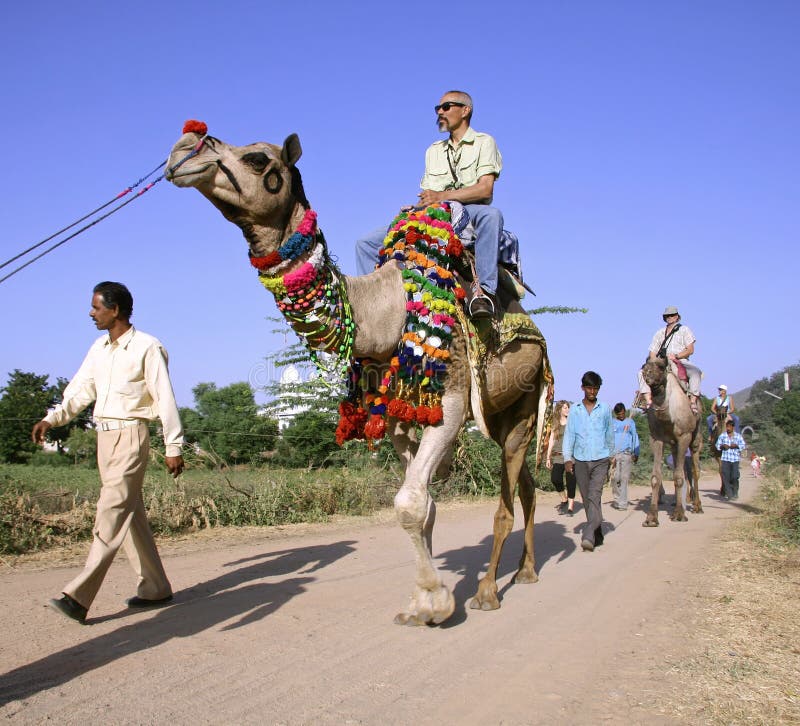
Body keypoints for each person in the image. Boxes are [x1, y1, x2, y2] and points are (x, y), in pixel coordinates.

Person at [32, 282, 185, 624]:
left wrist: (173, 445)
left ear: (115, 310)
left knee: (111, 510)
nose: (91, 313)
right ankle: (155, 587)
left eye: (96, 307)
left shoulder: (147, 347)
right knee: (129, 514)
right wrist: (51, 418)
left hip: (131, 436)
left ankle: (78, 595)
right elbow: (80, 389)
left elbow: (164, 397)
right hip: (104, 438)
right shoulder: (99, 349)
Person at [355, 90, 504, 318]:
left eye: (446, 107)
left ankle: (483, 292)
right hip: (435, 212)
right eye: (438, 108)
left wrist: (442, 197)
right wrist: (415, 208)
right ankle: (374, 309)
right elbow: (429, 194)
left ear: (465, 111)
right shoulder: (433, 151)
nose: (440, 112)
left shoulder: (484, 142)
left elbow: (485, 188)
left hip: (469, 210)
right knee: (365, 244)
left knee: (491, 216)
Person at [563, 371, 615, 552]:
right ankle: (597, 532)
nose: (592, 391)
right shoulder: (575, 409)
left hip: (601, 459)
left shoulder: (605, 409)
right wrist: (567, 459)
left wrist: (612, 455)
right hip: (580, 460)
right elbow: (569, 435)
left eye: (595, 388)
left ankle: (588, 534)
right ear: (583, 388)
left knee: (594, 495)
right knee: (587, 498)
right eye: (589, 388)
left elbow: (610, 434)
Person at [638, 306, 703, 413]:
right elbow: (652, 351)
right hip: (661, 362)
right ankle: (647, 400)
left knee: (696, 372)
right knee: (641, 373)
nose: (669, 317)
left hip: (679, 360)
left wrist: (676, 356)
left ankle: (693, 400)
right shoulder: (659, 332)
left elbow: (690, 349)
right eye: (667, 316)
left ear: (677, 316)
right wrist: (654, 362)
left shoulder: (684, 330)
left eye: (672, 315)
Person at [545, 400, 577, 516]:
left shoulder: (573, 423)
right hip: (558, 456)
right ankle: (564, 499)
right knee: (555, 478)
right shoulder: (555, 423)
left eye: (568, 407)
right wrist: (548, 458)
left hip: (571, 457)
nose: (567, 409)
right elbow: (551, 441)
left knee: (571, 481)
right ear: (559, 409)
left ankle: (570, 507)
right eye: (564, 408)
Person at [610, 403, 640, 511]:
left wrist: (636, 452)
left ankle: (622, 503)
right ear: (616, 414)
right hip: (615, 454)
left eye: (623, 413)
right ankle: (617, 498)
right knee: (615, 478)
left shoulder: (630, 422)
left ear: (625, 412)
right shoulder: (612, 423)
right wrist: (609, 454)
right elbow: (609, 438)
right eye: (619, 414)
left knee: (624, 478)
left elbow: (635, 437)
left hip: (627, 453)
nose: (621, 416)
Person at [715, 419, 747, 501]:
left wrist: (736, 446)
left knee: (734, 476)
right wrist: (723, 446)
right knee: (725, 477)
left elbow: (743, 445)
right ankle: (729, 494)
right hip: (725, 459)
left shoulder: (738, 436)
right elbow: (717, 446)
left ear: (733, 427)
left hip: (735, 459)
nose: (728, 428)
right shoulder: (722, 436)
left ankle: (735, 492)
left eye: (729, 427)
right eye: (727, 427)